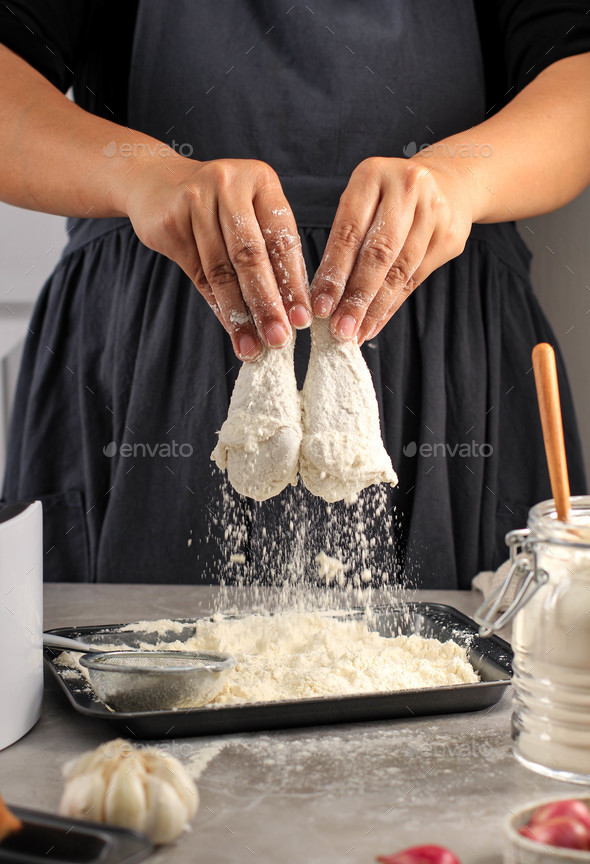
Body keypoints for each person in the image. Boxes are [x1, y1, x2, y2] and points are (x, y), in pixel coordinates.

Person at [0, 1, 589, 589]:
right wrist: (141, 173)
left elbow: (577, 78)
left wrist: (463, 177)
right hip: (148, 354)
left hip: (447, 356)